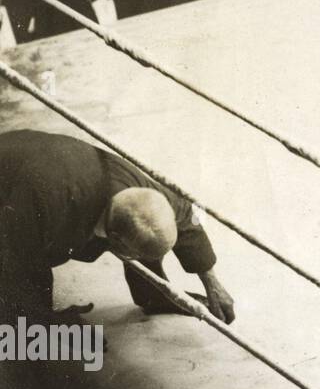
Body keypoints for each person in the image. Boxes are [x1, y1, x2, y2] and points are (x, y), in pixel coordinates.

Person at [0, 129, 236, 324]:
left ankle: (153, 295)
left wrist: (210, 281)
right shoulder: (49, 208)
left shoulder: (142, 194)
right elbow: (16, 265)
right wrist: (47, 322)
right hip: (11, 185)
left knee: (144, 233)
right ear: (117, 245)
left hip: (36, 160)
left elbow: (184, 216)